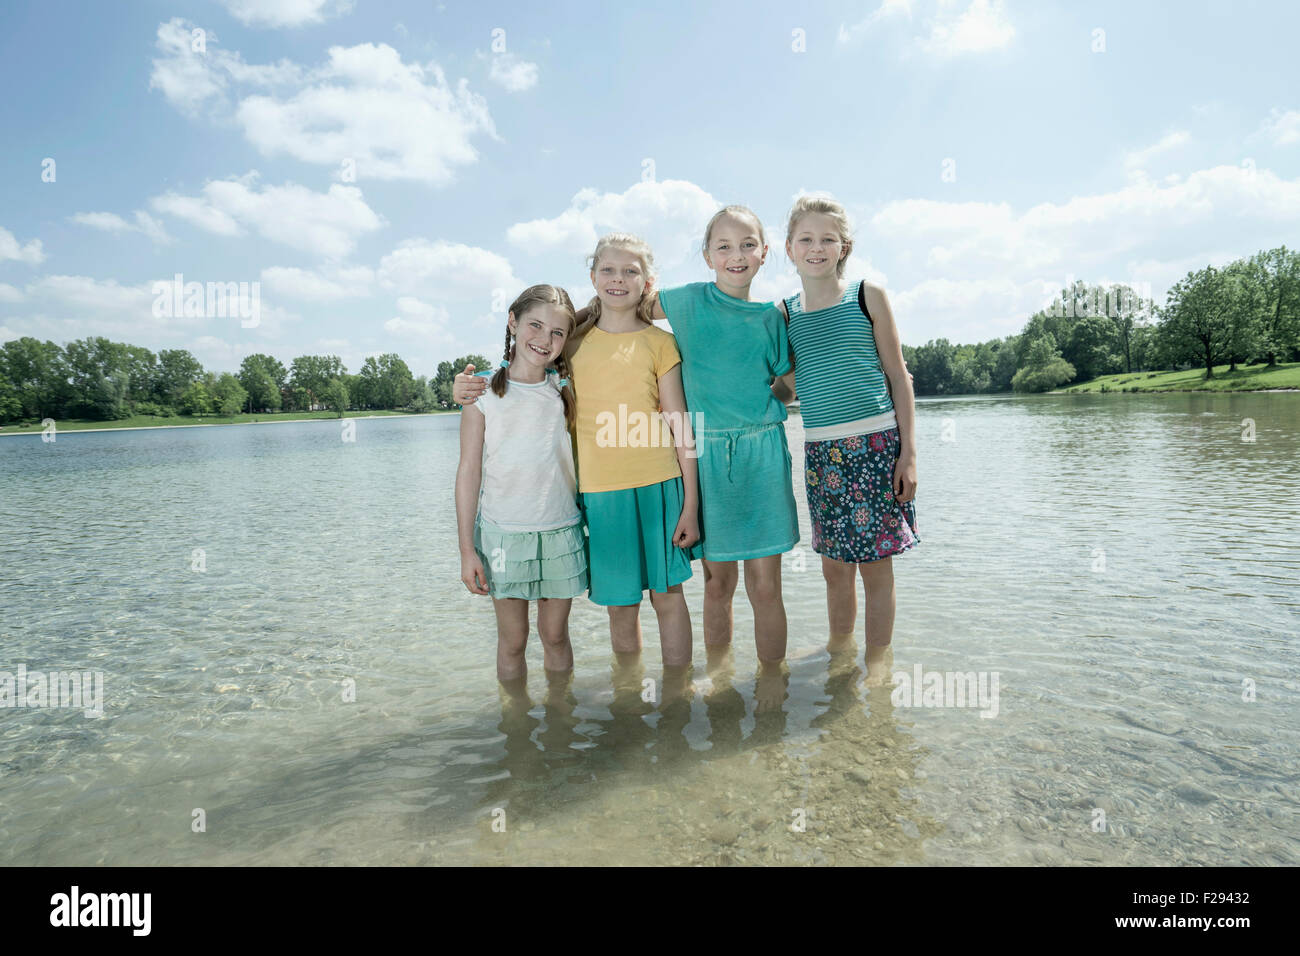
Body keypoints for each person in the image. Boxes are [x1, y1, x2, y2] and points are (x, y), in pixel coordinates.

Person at [459, 235, 700, 669]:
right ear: (593, 277)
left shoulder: (660, 343)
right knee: (621, 605)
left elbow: (680, 423)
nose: (619, 279)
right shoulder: (569, 347)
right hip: (599, 494)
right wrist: (464, 388)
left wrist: (692, 504)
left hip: (660, 485)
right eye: (608, 270)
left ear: (648, 282)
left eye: (631, 271)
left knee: (668, 596)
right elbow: (519, 375)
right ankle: (630, 700)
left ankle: (674, 707)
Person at [777, 194, 919, 676]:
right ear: (790, 248)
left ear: (844, 247)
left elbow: (899, 377)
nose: (816, 248)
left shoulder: (867, 295)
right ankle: (839, 650)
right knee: (834, 567)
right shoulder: (784, 314)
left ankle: (878, 661)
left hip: (879, 447)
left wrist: (910, 456)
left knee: (877, 568)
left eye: (827, 239)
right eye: (806, 239)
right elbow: (788, 385)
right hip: (823, 453)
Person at [455, 284, 586, 685]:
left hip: (560, 531)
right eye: (535, 325)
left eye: (558, 332)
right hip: (502, 536)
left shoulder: (565, 392)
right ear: (512, 322)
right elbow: (467, 474)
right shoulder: (481, 397)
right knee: (512, 641)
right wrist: (466, 551)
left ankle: (560, 727)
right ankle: (515, 727)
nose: (545, 340)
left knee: (556, 636)